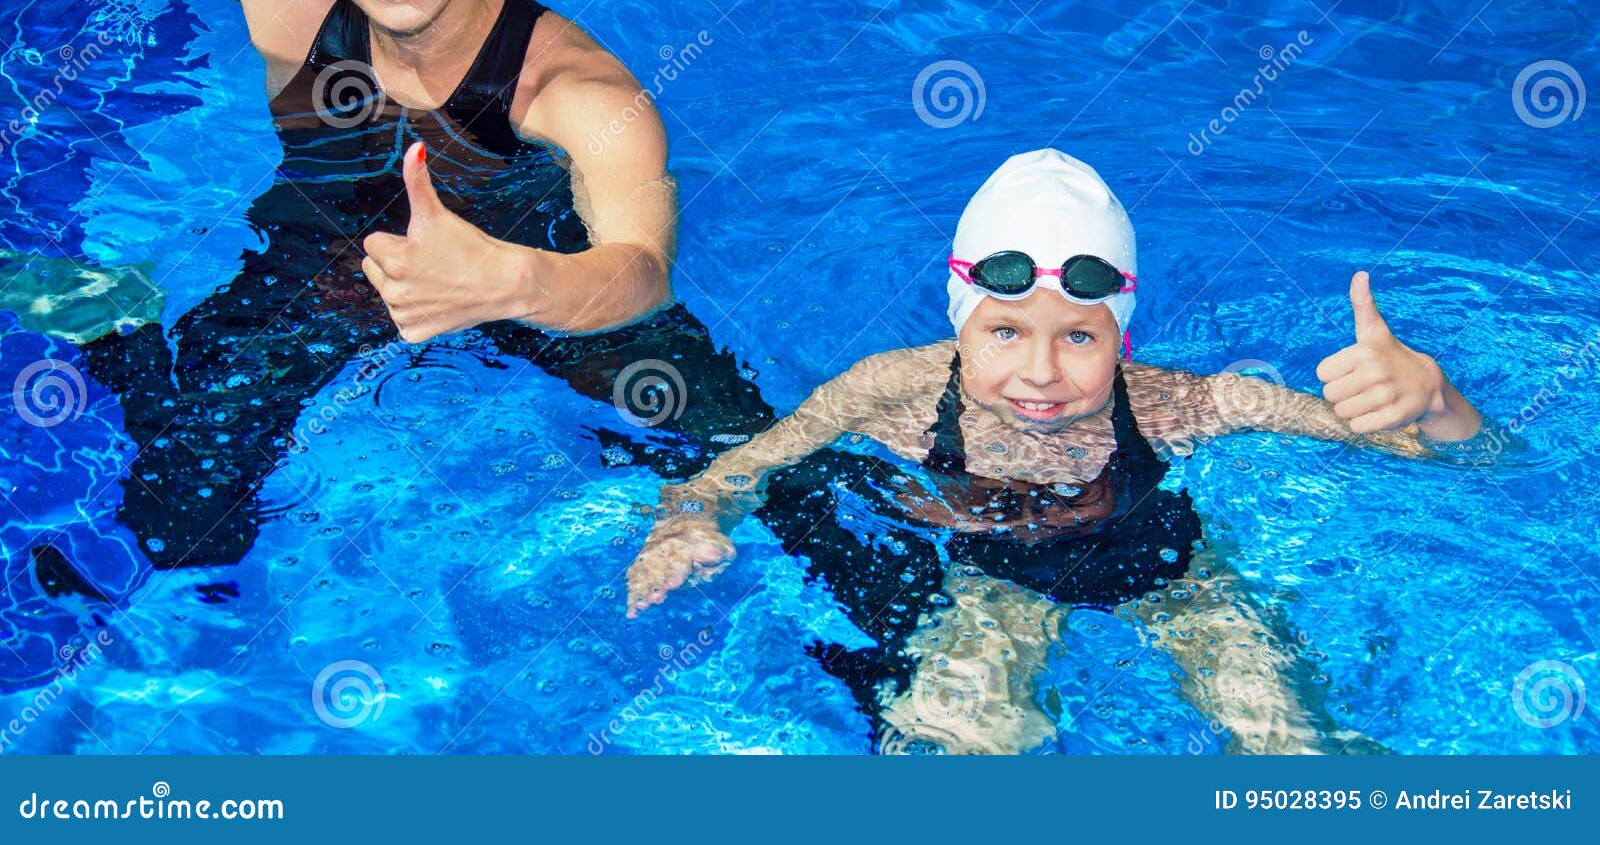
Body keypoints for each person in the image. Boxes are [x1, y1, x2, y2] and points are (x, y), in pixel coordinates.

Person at [0, 0, 770, 591]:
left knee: (768, 464)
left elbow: (640, 270)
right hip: (317, 266)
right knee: (183, 532)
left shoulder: (580, 94)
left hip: (530, 273)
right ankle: (125, 326)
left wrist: (507, 280)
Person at [626, 149, 1506, 753]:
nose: (1040, 373)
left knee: (1289, 747)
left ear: (1119, 337)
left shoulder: (1178, 402)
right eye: (1005, 331)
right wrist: (689, 522)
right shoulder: (887, 390)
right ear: (960, 319)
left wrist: (1434, 401)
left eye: (1079, 339)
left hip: (1175, 578)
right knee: (959, 744)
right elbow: (743, 465)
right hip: (992, 588)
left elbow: (1470, 465)